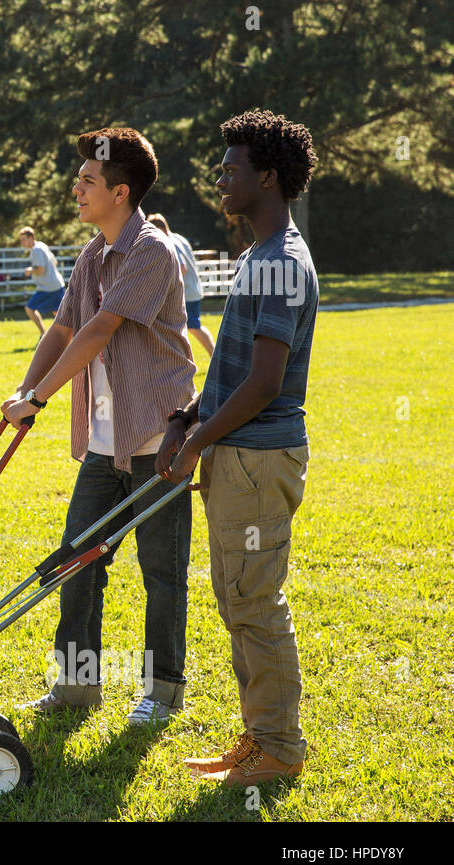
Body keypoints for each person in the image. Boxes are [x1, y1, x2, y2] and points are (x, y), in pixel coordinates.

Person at [0, 127, 195, 724]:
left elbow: (100, 329)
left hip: (157, 439)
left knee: (161, 572)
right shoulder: (89, 256)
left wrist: (38, 394)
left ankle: (161, 693)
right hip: (104, 445)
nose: (76, 188)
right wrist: (21, 392)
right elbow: (60, 331)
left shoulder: (150, 252)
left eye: (87, 180)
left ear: (121, 191)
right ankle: (78, 687)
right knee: (77, 562)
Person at [158, 110, 319, 786]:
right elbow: (230, 367)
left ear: (269, 176)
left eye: (230, 169)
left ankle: (280, 746)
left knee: (254, 598)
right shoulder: (259, 255)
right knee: (236, 596)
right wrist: (189, 413)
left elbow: (263, 382)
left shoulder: (281, 261)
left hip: (255, 456)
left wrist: (197, 440)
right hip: (235, 451)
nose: (220, 178)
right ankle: (261, 734)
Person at [147, 213, 215, 356]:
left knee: (193, 327)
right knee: (189, 327)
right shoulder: (178, 238)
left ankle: (214, 355)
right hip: (193, 288)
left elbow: (182, 268)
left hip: (187, 292)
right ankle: (208, 356)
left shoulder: (166, 241)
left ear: (157, 228)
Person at [19, 226, 65, 339]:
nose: (22, 242)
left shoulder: (36, 250)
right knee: (62, 315)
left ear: (31, 238)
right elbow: (55, 262)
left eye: (24, 239)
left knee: (29, 308)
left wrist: (30, 270)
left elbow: (40, 270)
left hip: (49, 288)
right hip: (57, 285)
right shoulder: (42, 245)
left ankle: (43, 335)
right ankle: (64, 338)